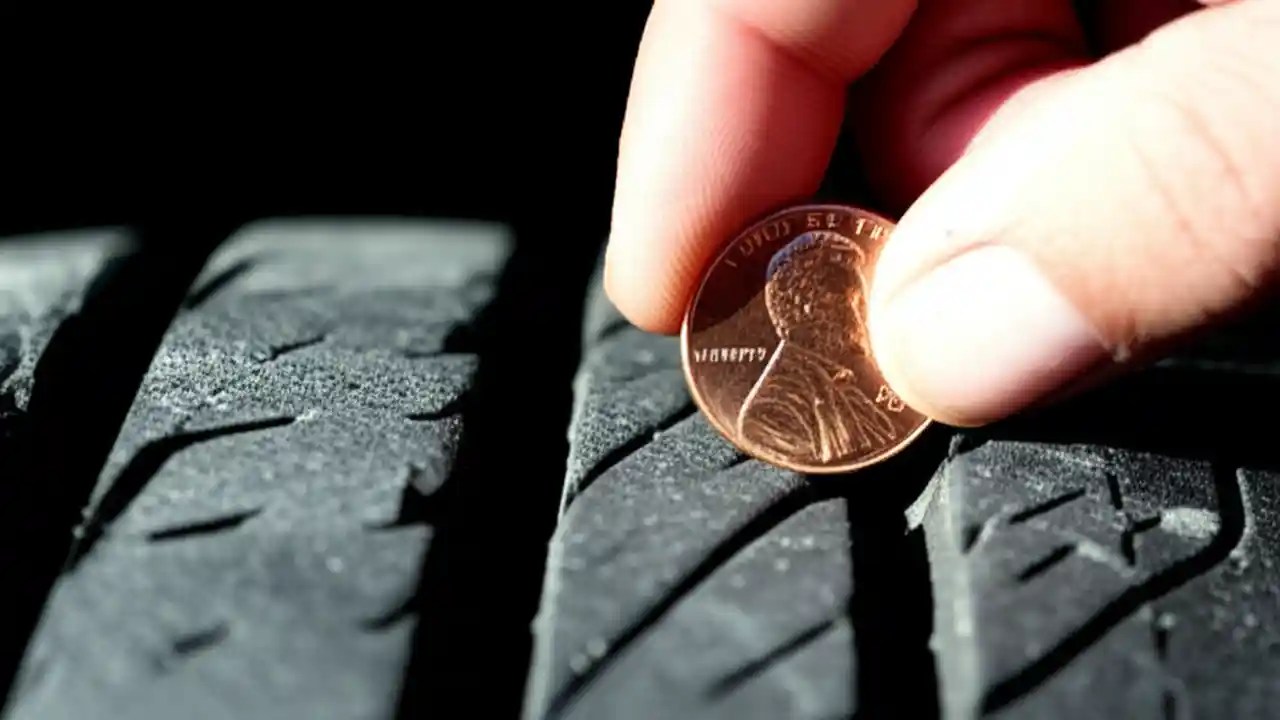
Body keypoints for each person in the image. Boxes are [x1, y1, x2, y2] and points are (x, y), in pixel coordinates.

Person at [601, 0, 1278, 427]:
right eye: (841, 288)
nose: (864, 299)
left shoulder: (839, 399)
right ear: (801, 311)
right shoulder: (784, 411)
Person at [738, 230, 897, 465]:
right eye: (854, 301)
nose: (865, 318)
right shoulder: (771, 413)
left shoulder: (848, 390)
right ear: (809, 308)